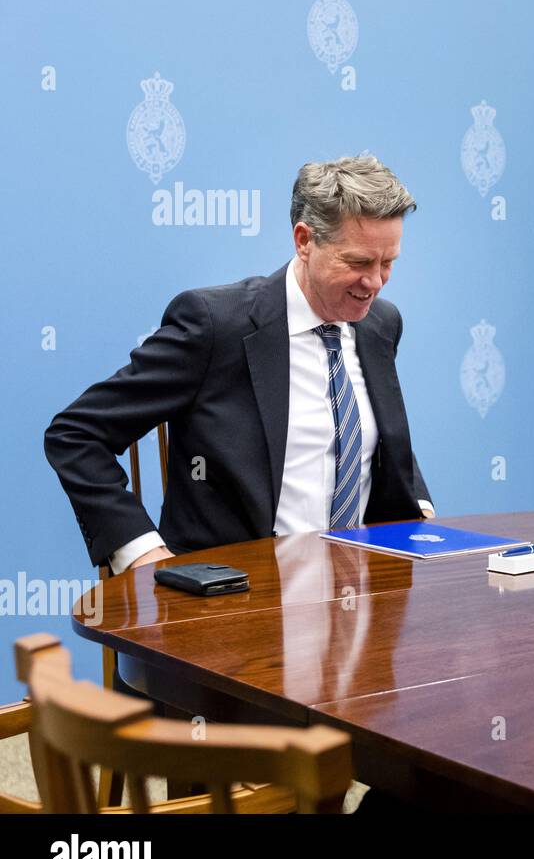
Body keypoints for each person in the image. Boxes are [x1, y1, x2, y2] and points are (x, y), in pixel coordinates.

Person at [46, 154, 433, 575]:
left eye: (388, 262)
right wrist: (140, 552)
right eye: (358, 262)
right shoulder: (214, 326)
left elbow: (380, 442)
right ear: (304, 241)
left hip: (360, 599)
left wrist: (421, 514)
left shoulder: (380, 324)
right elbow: (77, 434)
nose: (375, 282)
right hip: (233, 605)